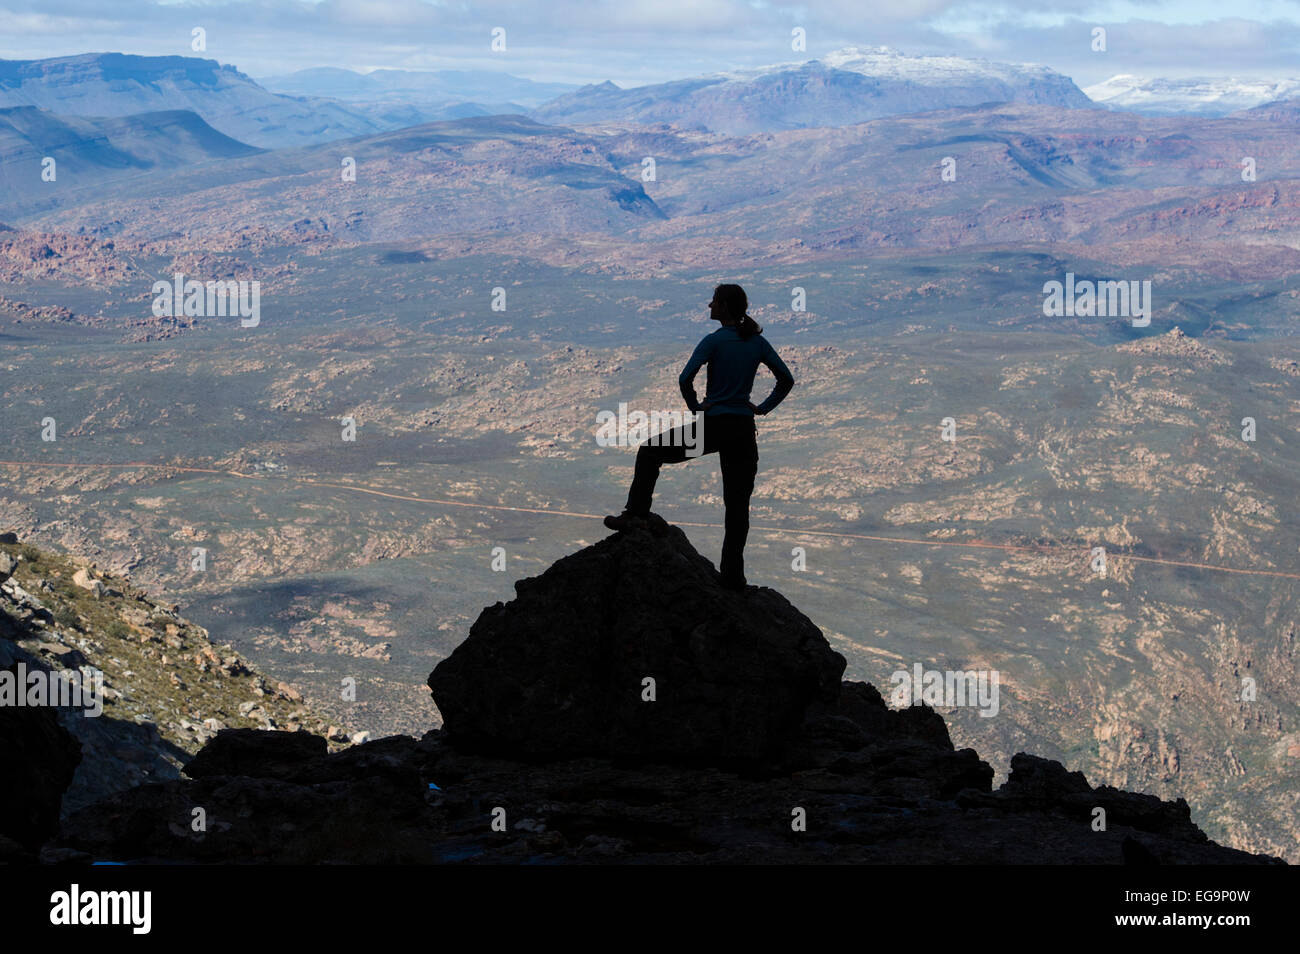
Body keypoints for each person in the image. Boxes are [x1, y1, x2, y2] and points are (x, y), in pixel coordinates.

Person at [605, 284, 794, 590]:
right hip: (743, 431)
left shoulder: (713, 341)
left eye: (714, 302)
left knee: (651, 452)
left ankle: (636, 514)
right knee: (736, 505)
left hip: (713, 426)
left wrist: (696, 406)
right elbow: (786, 379)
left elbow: (685, 378)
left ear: (725, 307)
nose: (709, 305)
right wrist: (761, 408)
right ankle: (733, 576)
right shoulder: (757, 343)